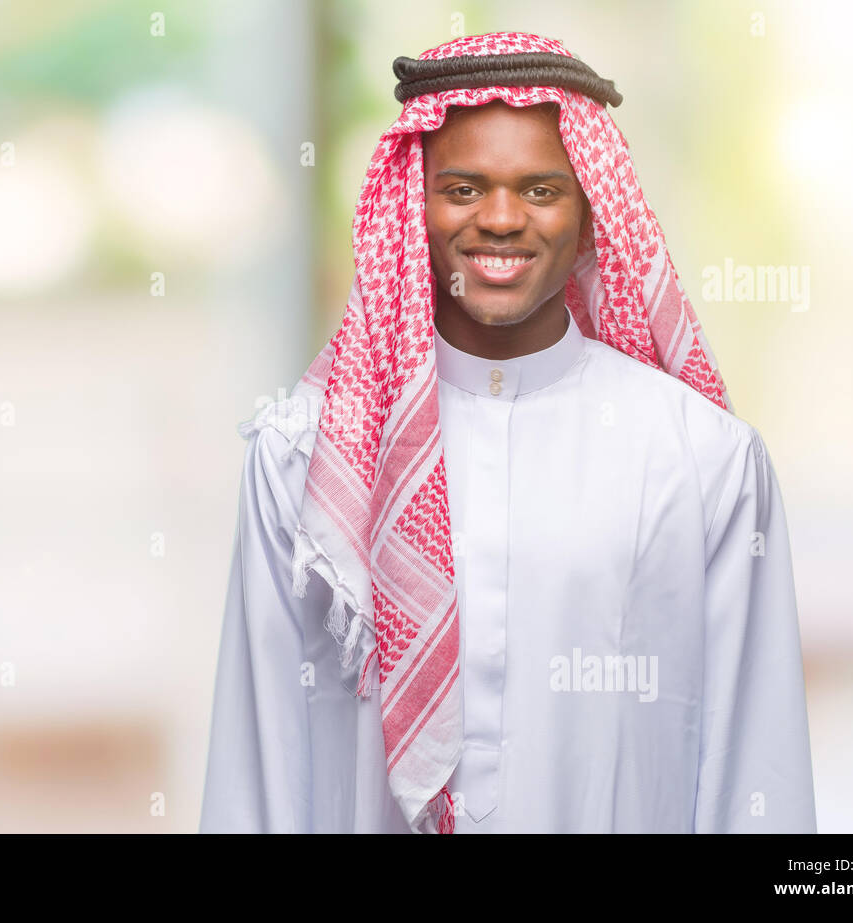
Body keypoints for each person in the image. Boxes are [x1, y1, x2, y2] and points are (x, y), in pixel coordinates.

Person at [199, 31, 817, 834]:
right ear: (411, 205)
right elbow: (256, 774)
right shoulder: (305, 458)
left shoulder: (702, 457)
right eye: (462, 187)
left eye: (540, 190)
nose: (499, 219)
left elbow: (755, 771)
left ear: (589, 210)